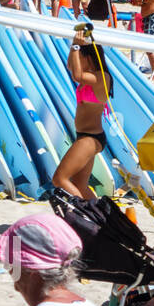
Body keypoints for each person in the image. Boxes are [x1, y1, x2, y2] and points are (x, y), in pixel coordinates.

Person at [53, 31, 113, 201]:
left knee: (59, 179)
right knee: (80, 185)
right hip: (85, 136)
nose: (77, 61)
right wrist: (75, 48)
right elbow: (71, 68)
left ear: (89, 57)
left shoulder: (102, 77)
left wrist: (75, 46)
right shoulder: (90, 77)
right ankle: (100, 218)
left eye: (81, 57)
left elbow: (76, 75)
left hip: (90, 138)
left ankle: (84, 214)